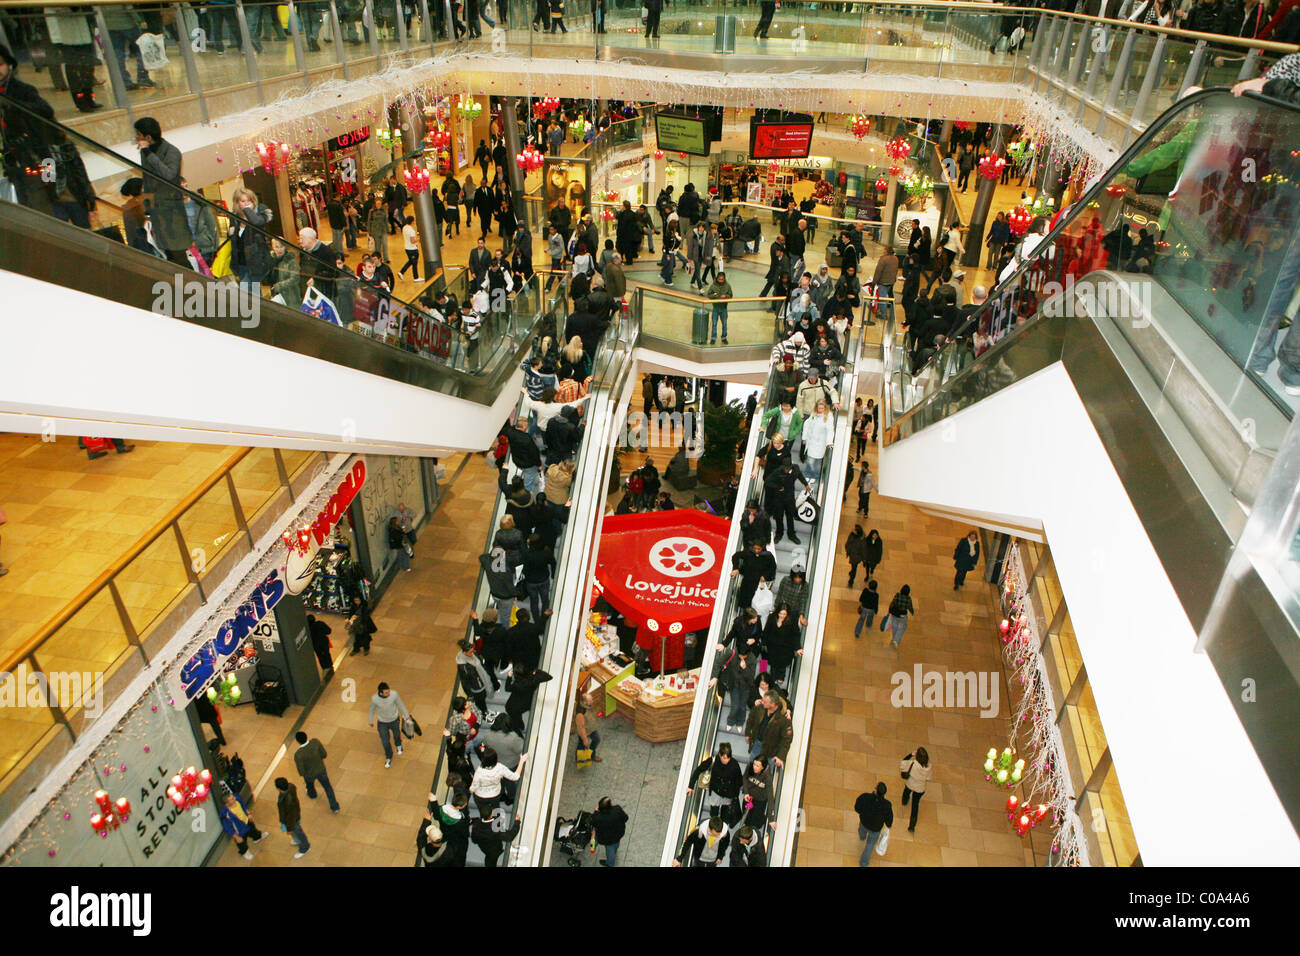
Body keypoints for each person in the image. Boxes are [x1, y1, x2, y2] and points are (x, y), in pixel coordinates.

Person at [133, 118, 192, 266]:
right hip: (157, 212)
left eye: (139, 135)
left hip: (172, 212)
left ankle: (194, 285)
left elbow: (169, 175)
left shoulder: (172, 152)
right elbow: (147, 180)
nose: (136, 138)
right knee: (169, 255)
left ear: (148, 137)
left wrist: (147, 152)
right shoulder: (146, 153)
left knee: (179, 254)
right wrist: (147, 207)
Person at [687, 741, 744, 826]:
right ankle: (714, 824)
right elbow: (699, 770)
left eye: (728, 758)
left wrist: (735, 794)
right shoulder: (713, 760)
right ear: (719, 755)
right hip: (715, 792)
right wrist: (691, 786)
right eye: (724, 758)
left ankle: (722, 826)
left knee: (725, 814)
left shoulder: (734, 764)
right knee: (714, 812)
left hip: (728, 794)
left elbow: (739, 780)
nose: (727, 760)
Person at [228, 188, 274, 294]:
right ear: (237, 202)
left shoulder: (261, 211)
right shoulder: (235, 216)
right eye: (243, 201)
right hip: (241, 262)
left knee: (251, 291)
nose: (246, 204)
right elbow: (235, 239)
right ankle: (257, 309)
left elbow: (257, 222)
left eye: (249, 200)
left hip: (257, 261)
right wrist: (230, 233)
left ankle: (258, 309)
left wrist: (248, 210)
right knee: (249, 292)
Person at [469, 747, 526, 818]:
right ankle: (497, 825)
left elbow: (474, 787)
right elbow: (515, 777)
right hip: (494, 795)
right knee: (496, 811)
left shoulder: (479, 771)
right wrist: (521, 761)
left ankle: (485, 821)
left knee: (483, 812)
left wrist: (471, 790)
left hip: (480, 796)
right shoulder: (500, 768)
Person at [293, 730, 340, 812]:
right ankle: (334, 806)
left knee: (309, 785)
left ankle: (312, 794)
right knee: (328, 787)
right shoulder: (315, 742)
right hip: (321, 770)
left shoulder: (298, 754)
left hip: (309, 774)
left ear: (298, 741)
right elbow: (324, 754)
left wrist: (305, 774)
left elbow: (301, 771)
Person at [745, 690, 793, 769]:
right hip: (757, 744)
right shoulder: (759, 708)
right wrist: (747, 733)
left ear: (773, 704)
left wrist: (780, 756)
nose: (761, 702)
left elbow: (787, 739)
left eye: (765, 701)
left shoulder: (784, 719)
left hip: (771, 751)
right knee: (751, 769)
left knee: (765, 774)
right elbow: (750, 719)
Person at [368, 681, 410, 769]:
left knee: (397, 734)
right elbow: (371, 709)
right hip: (382, 722)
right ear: (381, 693)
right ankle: (388, 756)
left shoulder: (394, 695)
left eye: (389, 691)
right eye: (386, 692)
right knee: (385, 741)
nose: (389, 693)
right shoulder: (374, 699)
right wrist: (371, 720)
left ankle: (398, 745)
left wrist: (406, 716)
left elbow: (400, 705)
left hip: (394, 720)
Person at [853, 782, 894, 866]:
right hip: (875, 829)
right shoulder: (887, 805)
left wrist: (862, 813)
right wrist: (888, 825)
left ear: (875, 789)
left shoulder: (865, 797)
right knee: (870, 845)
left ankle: (862, 837)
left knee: (862, 830)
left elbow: (857, 808)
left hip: (864, 822)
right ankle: (863, 862)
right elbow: (889, 819)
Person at [219, 790, 266, 860]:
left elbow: (243, 805)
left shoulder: (237, 799)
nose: (234, 799)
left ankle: (257, 837)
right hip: (239, 830)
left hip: (247, 821)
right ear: (227, 804)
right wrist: (236, 836)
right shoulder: (225, 814)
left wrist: (248, 814)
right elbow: (227, 827)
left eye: (233, 797)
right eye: (231, 799)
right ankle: (245, 852)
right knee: (241, 842)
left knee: (253, 830)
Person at [762, 604, 803, 684]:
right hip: (772, 646)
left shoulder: (792, 620)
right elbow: (767, 630)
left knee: (782, 663)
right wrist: (764, 642)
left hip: (786, 647)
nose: (782, 616)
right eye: (780, 614)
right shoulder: (772, 617)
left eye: (784, 614)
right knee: (771, 663)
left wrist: (798, 648)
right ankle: (771, 679)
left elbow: (796, 635)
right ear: (777, 612)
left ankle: (781, 676)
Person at [730, 541, 776, 610]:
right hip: (747, 581)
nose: (756, 551)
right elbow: (736, 556)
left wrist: (765, 576)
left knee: (754, 603)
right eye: (755, 548)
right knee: (744, 601)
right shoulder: (749, 552)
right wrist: (736, 568)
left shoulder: (768, 556)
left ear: (762, 548)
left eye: (758, 549)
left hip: (758, 583)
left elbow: (772, 569)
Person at [274, 777, 310, 859]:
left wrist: (289, 829)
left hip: (292, 820)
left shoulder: (287, 801)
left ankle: (305, 847)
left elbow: (290, 817)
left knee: (298, 832)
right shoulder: (291, 787)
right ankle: (297, 840)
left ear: (278, 788)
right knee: (296, 832)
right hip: (295, 816)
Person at [899, 747, 933, 832]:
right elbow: (928, 778)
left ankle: (904, 801)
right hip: (920, 788)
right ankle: (912, 826)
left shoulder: (913, 764)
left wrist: (911, 754)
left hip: (910, 783)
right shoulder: (929, 767)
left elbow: (903, 763)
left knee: (906, 792)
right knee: (915, 806)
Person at [456, 637, 492, 713]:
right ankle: (484, 712)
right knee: (480, 701)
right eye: (470, 652)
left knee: (484, 696)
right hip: (476, 687)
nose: (472, 653)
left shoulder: (474, 653)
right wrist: (470, 694)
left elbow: (481, 664)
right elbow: (464, 681)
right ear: (464, 653)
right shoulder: (463, 666)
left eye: (473, 651)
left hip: (483, 680)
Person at [592, 797, 628, 866]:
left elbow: (593, 823)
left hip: (607, 839)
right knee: (616, 843)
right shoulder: (617, 809)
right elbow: (626, 818)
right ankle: (616, 849)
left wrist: (595, 812)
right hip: (618, 833)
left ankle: (610, 864)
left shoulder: (598, 817)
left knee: (610, 851)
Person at [706, 270, 734, 344]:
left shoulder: (727, 286)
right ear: (717, 278)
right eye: (719, 279)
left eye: (722, 279)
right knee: (714, 323)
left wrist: (726, 296)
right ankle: (713, 338)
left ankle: (724, 337)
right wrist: (713, 296)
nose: (721, 281)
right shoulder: (713, 286)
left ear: (724, 279)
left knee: (724, 323)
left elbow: (730, 296)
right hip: (715, 308)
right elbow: (708, 294)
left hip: (724, 308)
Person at [573, 692, 602, 764]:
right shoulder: (580, 714)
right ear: (585, 702)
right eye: (590, 700)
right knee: (581, 746)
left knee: (597, 740)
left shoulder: (588, 706)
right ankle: (579, 760)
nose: (592, 701)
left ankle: (592, 755)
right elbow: (581, 728)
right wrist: (585, 739)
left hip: (592, 729)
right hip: (585, 732)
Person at [884, 584, 915, 649]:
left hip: (895, 614)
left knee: (894, 626)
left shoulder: (897, 595)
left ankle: (894, 638)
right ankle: (896, 640)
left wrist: (889, 610)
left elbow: (893, 603)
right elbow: (910, 607)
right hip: (903, 615)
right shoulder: (908, 599)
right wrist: (912, 612)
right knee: (902, 628)